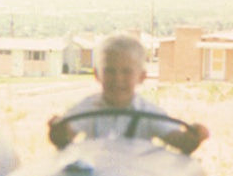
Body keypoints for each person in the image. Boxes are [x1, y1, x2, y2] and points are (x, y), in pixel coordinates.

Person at [48, 33, 209, 154]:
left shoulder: (148, 112)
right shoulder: (88, 108)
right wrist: (59, 131)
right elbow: (65, 137)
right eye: (110, 71)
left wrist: (193, 137)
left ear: (141, 77)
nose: (118, 79)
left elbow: (179, 141)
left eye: (126, 72)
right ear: (97, 75)